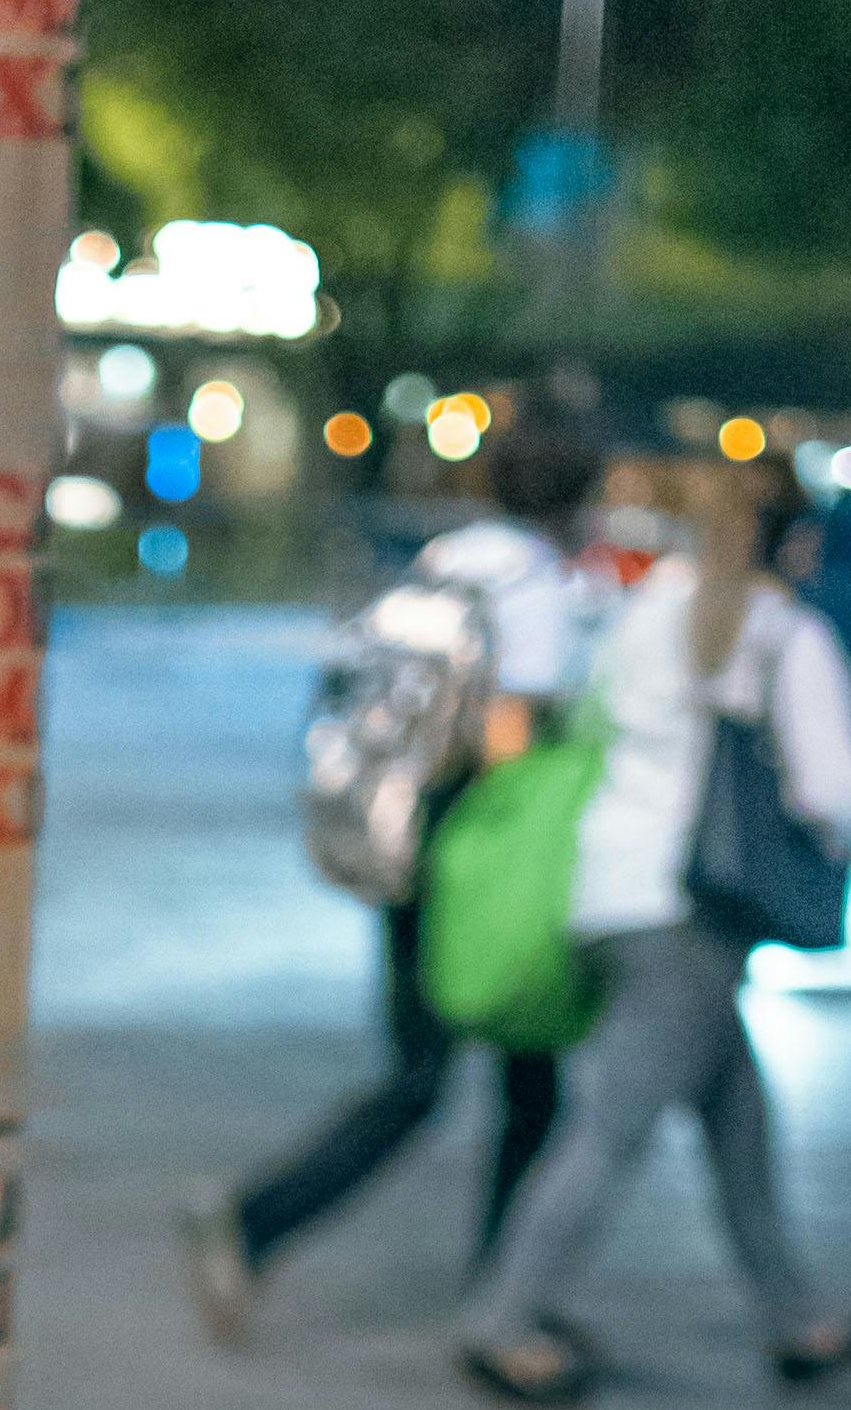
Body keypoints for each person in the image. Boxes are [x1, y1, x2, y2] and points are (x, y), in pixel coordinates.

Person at [456, 465, 851, 1410]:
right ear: (785, 538)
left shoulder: (649, 610)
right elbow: (835, 788)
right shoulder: (782, 634)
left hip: (606, 894)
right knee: (609, 1128)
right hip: (688, 915)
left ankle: (796, 1319)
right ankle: (503, 1320)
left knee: (739, 1117)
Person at [184, 415, 601, 1348]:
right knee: (462, 1075)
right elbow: (508, 738)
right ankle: (263, 1222)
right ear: (580, 497)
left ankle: (502, 1291)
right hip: (475, 854)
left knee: (503, 1079)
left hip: (401, 834)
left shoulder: (445, 561)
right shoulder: (534, 587)